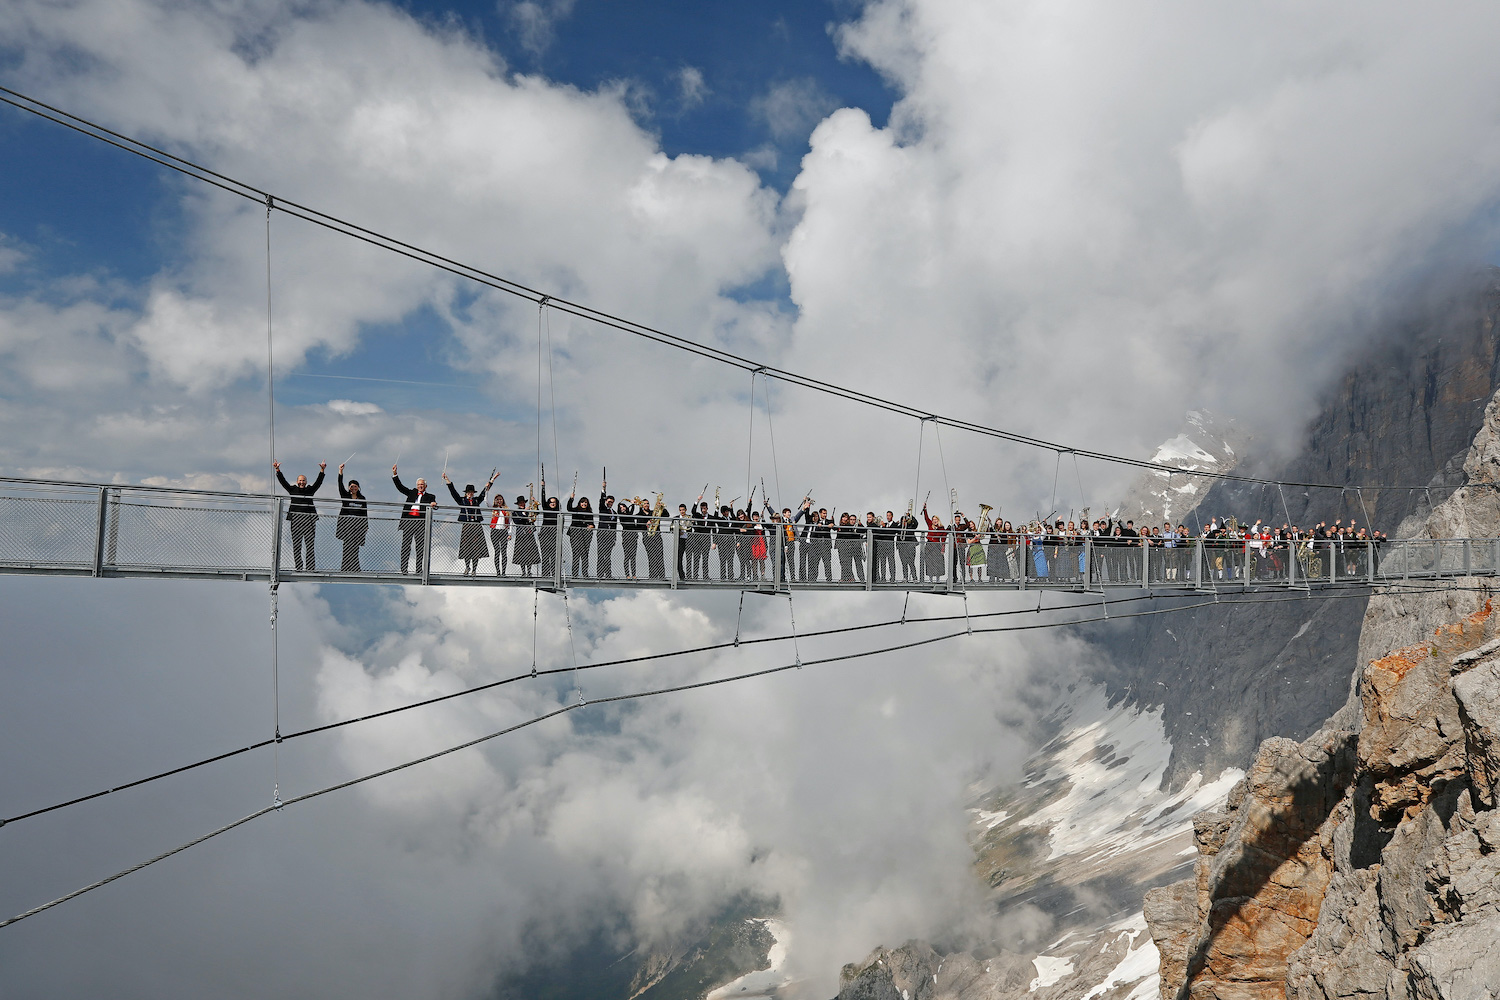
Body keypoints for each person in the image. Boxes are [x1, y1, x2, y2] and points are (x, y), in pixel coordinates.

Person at [274, 460, 325, 572]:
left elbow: (318, 483)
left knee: (310, 545)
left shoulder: (310, 490)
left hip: (309, 520)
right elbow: (283, 482)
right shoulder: (293, 489)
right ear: (297, 481)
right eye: (300, 480)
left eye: (303, 480)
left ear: (306, 482)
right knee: (297, 545)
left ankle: (310, 568)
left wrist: (322, 470)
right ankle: (299, 567)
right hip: (296, 520)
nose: (302, 482)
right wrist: (277, 470)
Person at [444, 470, 496, 576]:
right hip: (467, 525)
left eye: (471, 492)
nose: (470, 493)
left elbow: (484, 492)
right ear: (466, 493)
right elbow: (453, 492)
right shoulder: (462, 500)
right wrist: (447, 480)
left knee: (476, 549)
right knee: (466, 548)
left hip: (476, 525)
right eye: (468, 492)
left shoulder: (476, 500)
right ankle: (467, 567)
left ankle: (474, 569)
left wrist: (491, 481)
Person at [392, 465, 437, 575]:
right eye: (418, 485)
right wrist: (395, 474)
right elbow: (400, 487)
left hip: (420, 521)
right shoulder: (412, 492)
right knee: (405, 545)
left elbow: (435, 505)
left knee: (420, 546)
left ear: (426, 486)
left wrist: (434, 504)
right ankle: (404, 569)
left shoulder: (430, 496)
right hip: (409, 520)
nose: (420, 486)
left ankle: (418, 569)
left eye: (422, 485)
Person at [335, 463, 367, 572]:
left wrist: (365, 526)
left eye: (355, 486)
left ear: (358, 488)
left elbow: (364, 513)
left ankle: (355, 568)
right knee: (347, 546)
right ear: (349, 488)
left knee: (355, 547)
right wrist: (340, 472)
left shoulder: (362, 499)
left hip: (358, 526)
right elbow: (340, 485)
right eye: (351, 486)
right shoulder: (345, 496)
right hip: (347, 525)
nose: (353, 488)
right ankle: (345, 568)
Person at [566, 491, 594, 578]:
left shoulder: (589, 513)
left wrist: (591, 526)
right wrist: (571, 498)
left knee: (585, 554)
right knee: (576, 554)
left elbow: (592, 523)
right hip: (575, 533)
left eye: (585, 502)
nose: (584, 504)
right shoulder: (575, 510)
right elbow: (569, 508)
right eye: (582, 502)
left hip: (585, 534)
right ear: (579, 503)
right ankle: (574, 574)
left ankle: (585, 574)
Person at [511, 494, 540, 576]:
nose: (522, 504)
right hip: (521, 534)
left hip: (529, 533)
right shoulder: (515, 512)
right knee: (521, 553)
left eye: (523, 502)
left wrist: (535, 503)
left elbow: (536, 513)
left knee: (530, 552)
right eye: (520, 503)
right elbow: (516, 521)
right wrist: (524, 512)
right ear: (518, 504)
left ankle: (529, 571)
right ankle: (523, 572)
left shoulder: (529, 510)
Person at [596, 483, 617, 579]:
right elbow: (601, 500)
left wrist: (614, 538)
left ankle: (608, 575)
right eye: (609, 501)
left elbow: (614, 526)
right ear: (606, 501)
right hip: (602, 534)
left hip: (610, 536)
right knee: (601, 554)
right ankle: (600, 574)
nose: (610, 503)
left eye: (611, 502)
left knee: (608, 556)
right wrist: (603, 489)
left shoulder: (614, 513)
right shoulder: (602, 508)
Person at [489, 494, 511, 576]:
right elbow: (486, 502)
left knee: (504, 552)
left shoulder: (507, 510)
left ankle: (503, 572)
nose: (499, 501)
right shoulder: (494, 508)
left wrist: (510, 533)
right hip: (495, 531)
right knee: (497, 551)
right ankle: (498, 572)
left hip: (504, 531)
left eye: (500, 499)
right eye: (497, 499)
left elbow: (510, 522)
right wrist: (487, 491)